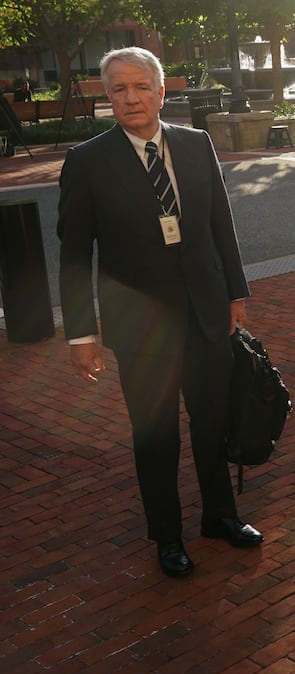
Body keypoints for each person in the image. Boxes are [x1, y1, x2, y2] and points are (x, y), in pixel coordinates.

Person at [57, 46, 261, 579]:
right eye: (119, 89)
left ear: (161, 91)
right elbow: (76, 254)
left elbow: (221, 225)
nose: (130, 98)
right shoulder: (87, 162)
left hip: (206, 313)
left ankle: (220, 515)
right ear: (108, 97)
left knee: (212, 422)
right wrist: (81, 333)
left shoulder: (196, 145)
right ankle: (167, 536)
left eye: (140, 87)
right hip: (140, 327)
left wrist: (235, 294)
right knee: (156, 435)